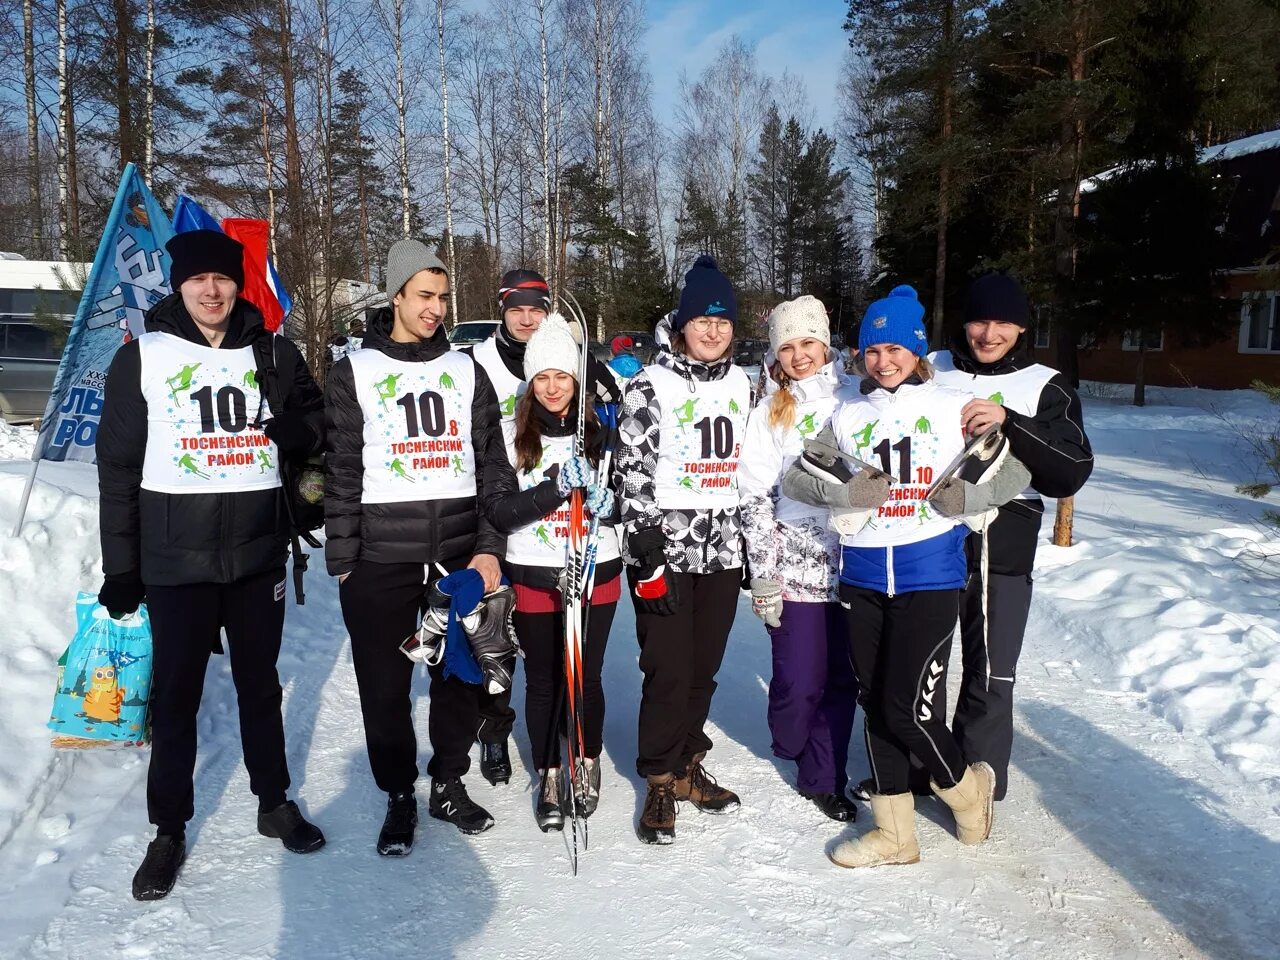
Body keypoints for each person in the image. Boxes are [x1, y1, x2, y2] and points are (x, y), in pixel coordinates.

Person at [97, 229, 326, 901]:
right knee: (175, 700)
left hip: (257, 555)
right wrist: (122, 564)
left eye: (223, 278)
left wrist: (299, 433)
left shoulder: (275, 353)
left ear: (238, 282)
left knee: (260, 687)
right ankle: (168, 829)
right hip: (176, 560)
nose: (212, 290)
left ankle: (273, 799)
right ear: (180, 284)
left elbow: (320, 427)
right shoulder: (143, 358)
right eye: (198, 279)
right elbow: (118, 469)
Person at [783, 284, 1030, 868]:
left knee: (908, 710)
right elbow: (799, 477)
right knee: (875, 702)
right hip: (864, 576)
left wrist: (968, 495)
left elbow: (1012, 472)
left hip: (930, 575)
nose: (884, 361)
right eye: (872, 351)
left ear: (917, 352)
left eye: (895, 349)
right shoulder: (846, 412)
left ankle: (969, 793)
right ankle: (896, 834)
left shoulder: (954, 403)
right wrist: (842, 489)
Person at [324, 239, 516, 855]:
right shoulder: (355, 369)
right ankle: (398, 794)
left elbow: (494, 469)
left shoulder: (466, 370)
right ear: (397, 294)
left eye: (442, 296)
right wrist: (344, 562)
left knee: (459, 676)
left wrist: (489, 548)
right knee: (383, 686)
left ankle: (448, 782)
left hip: (459, 554)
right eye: (424, 295)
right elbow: (342, 471)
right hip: (380, 557)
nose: (435, 308)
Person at [930, 273, 1093, 801]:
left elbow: (1070, 471)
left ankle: (978, 781)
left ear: (1022, 326)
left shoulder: (1046, 383)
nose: (989, 333)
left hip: (1003, 542)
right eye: (980, 319)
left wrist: (1010, 421)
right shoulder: (931, 369)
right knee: (919, 663)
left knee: (991, 671)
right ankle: (918, 768)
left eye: (1003, 322)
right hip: (926, 536)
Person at [616, 254, 751, 845]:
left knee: (703, 669)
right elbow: (632, 467)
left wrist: (752, 543)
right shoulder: (651, 384)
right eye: (703, 320)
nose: (713, 331)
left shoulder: (746, 383)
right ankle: (659, 778)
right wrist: (645, 546)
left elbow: (752, 468)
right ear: (681, 324)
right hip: (665, 551)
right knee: (667, 670)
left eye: (722, 322)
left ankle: (689, 762)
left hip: (721, 551)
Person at [465, 268, 619, 786]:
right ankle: (549, 770)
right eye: (543, 379)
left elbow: (627, 500)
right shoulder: (513, 435)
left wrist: (606, 502)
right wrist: (552, 489)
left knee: (586, 677)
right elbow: (500, 512)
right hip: (534, 569)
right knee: (544, 680)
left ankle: (585, 759)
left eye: (563, 377)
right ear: (531, 383)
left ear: (578, 379)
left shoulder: (600, 433)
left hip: (596, 568)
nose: (553, 388)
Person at [738, 295, 861, 822]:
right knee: (800, 681)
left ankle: (823, 778)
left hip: (857, 565)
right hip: (794, 569)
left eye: (808, 342)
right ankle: (789, 740)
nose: (799, 354)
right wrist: (764, 571)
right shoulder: (770, 411)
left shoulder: (858, 400)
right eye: (786, 346)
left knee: (841, 680)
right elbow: (754, 495)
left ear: (826, 343)